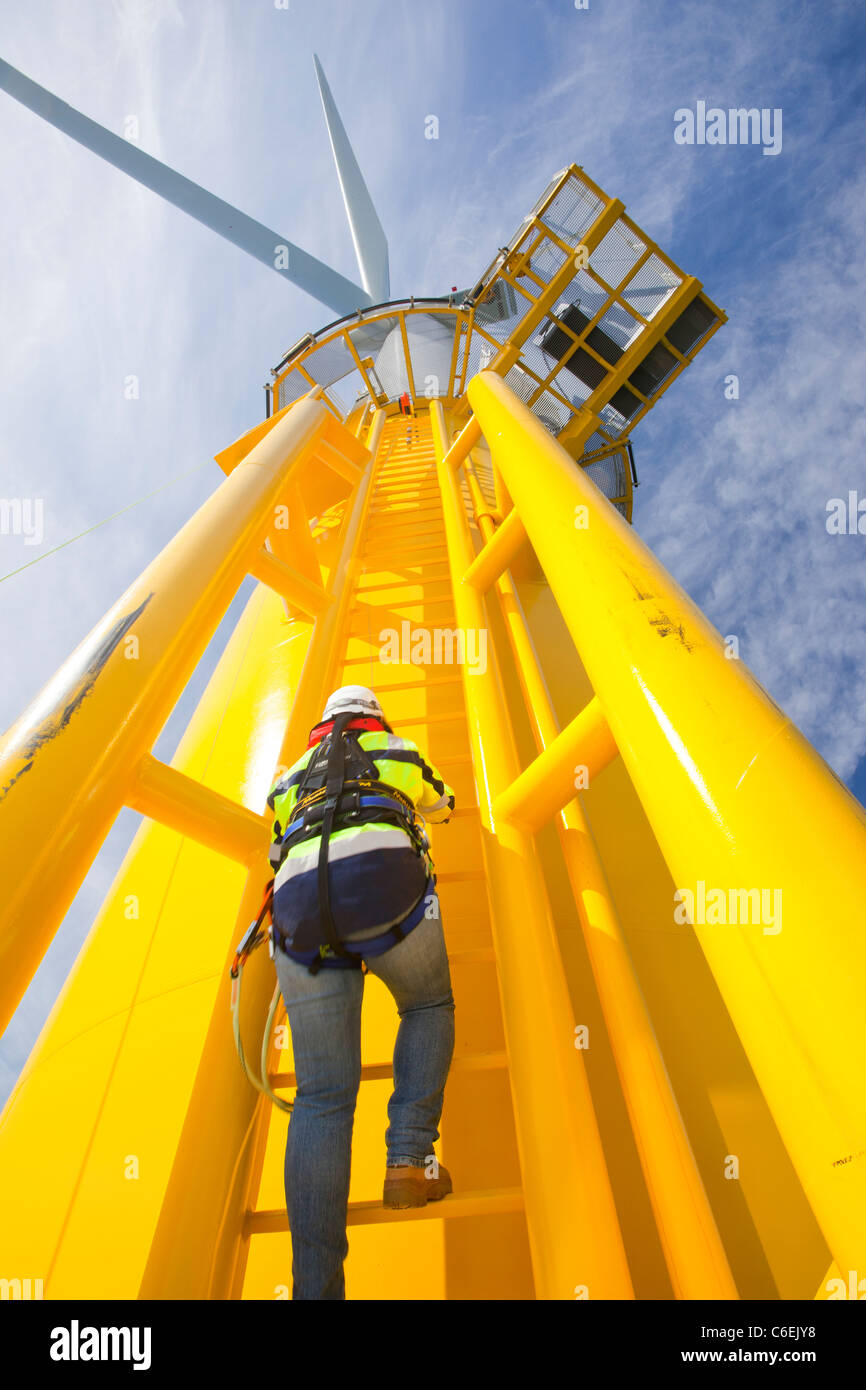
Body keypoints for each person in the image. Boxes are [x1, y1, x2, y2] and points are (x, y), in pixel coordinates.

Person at [266, 684, 456, 1300]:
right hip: (383, 889)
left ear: (322, 728)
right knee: (427, 1004)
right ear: (374, 717)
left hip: (298, 914)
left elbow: (277, 837)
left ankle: (316, 1290)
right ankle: (408, 1157)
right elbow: (445, 802)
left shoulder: (290, 775)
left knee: (323, 1098)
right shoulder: (396, 747)